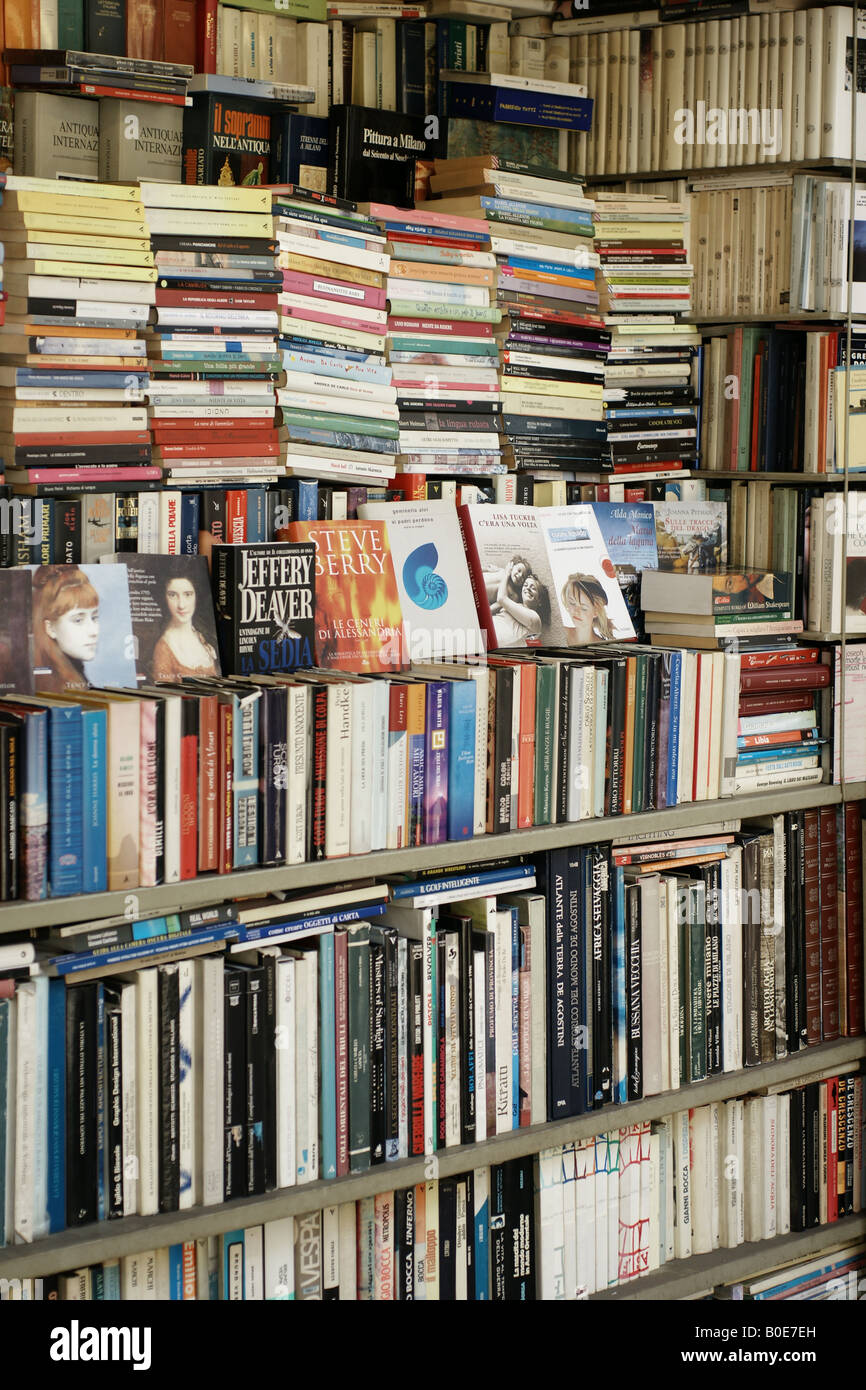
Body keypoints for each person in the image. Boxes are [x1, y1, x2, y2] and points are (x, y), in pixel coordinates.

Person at [32, 565, 100, 692]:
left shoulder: (75, 674)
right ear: (50, 628)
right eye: (78, 620)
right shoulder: (52, 688)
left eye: (95, 618)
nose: (94, 631)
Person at [151, 571, 219, 681]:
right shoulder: (163, 649)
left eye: (188, 594)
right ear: (164, 598)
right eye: (172, 595)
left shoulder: (204, 636)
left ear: (196, 596)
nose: (181, 605)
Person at [491, 570, 551, 647]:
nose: (528, 588)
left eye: (533, 588)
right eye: (525, 585)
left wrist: (506, 574)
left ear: (540, 600)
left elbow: (501, 598)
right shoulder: (513, 604)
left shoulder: (536, 620)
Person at [561, 572, 615, 644]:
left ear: (596, 611)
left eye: (583, 608)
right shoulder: (559, 633)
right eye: (572, 603)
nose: (576, 611)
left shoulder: (605, 646)